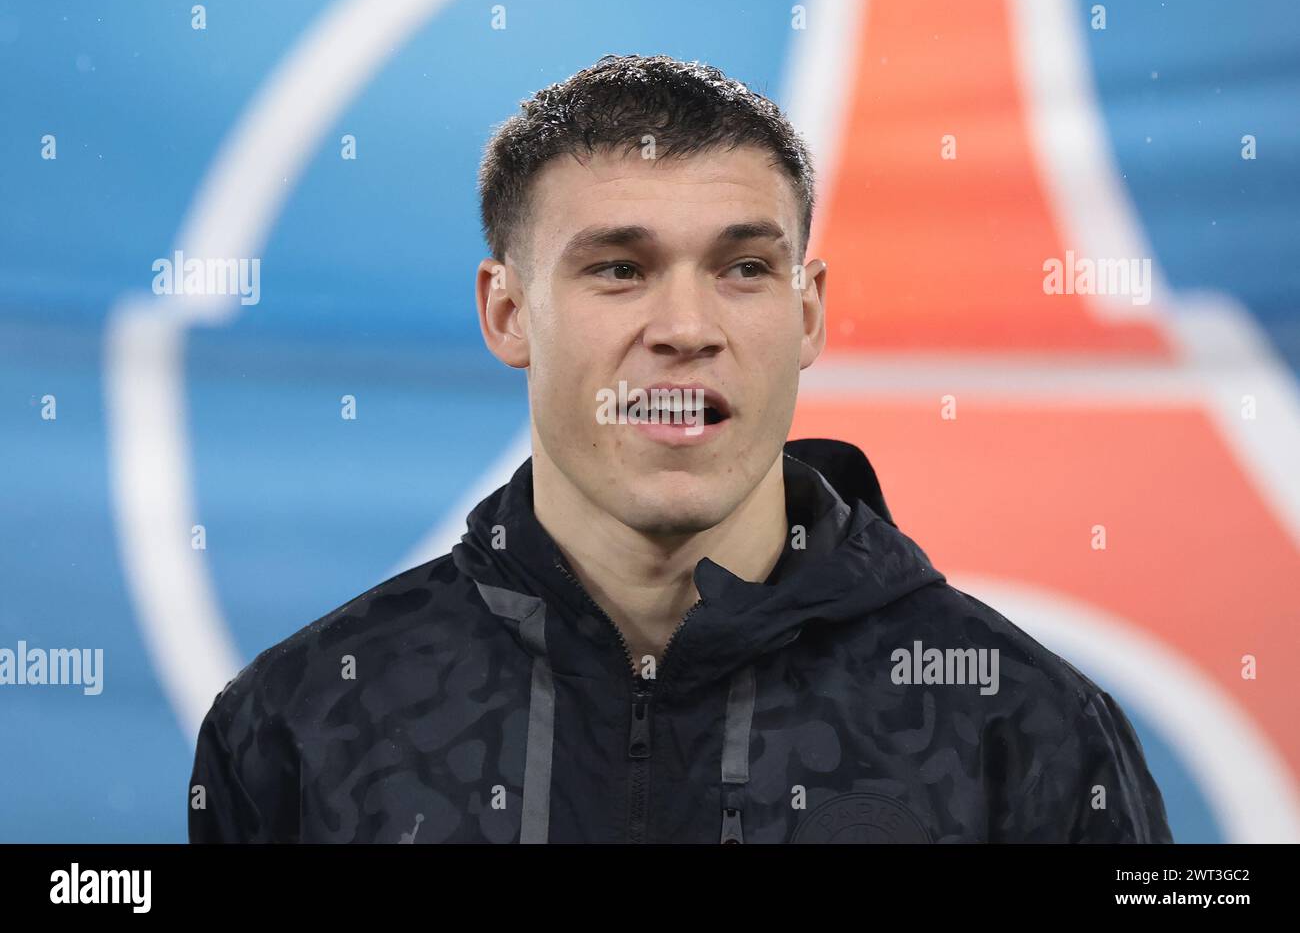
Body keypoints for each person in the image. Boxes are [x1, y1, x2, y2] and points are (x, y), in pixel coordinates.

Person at [189, 54, 1172, 844]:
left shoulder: (1023, 723)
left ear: (808, 312)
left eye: (743, 268)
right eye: (620, 268)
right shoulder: (301, 722)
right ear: (506, 310)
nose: (687, 324)